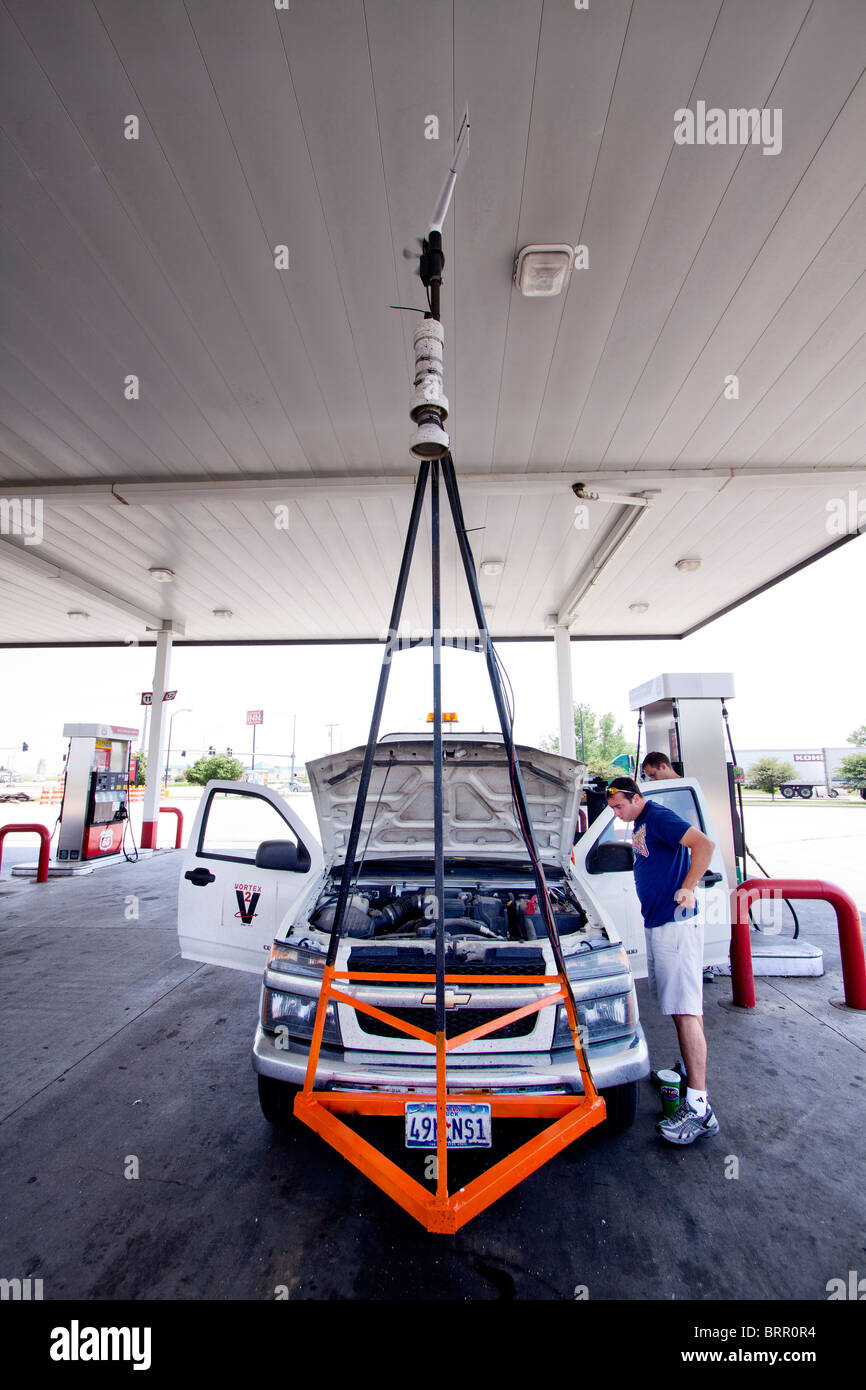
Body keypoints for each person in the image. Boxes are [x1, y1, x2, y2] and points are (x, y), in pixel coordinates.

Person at [606, 775, 720, 1145]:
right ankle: (688, 1071)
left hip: (676, 924)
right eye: (612, 808)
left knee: (685, 1009)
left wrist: (687, 887)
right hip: (659, 924)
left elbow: (704, 844)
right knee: (680, 1006)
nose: (616, 813)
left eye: (620, 806)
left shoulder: (658, 816)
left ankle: (700, 1108)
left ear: (637, 799)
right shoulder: (639, 823)